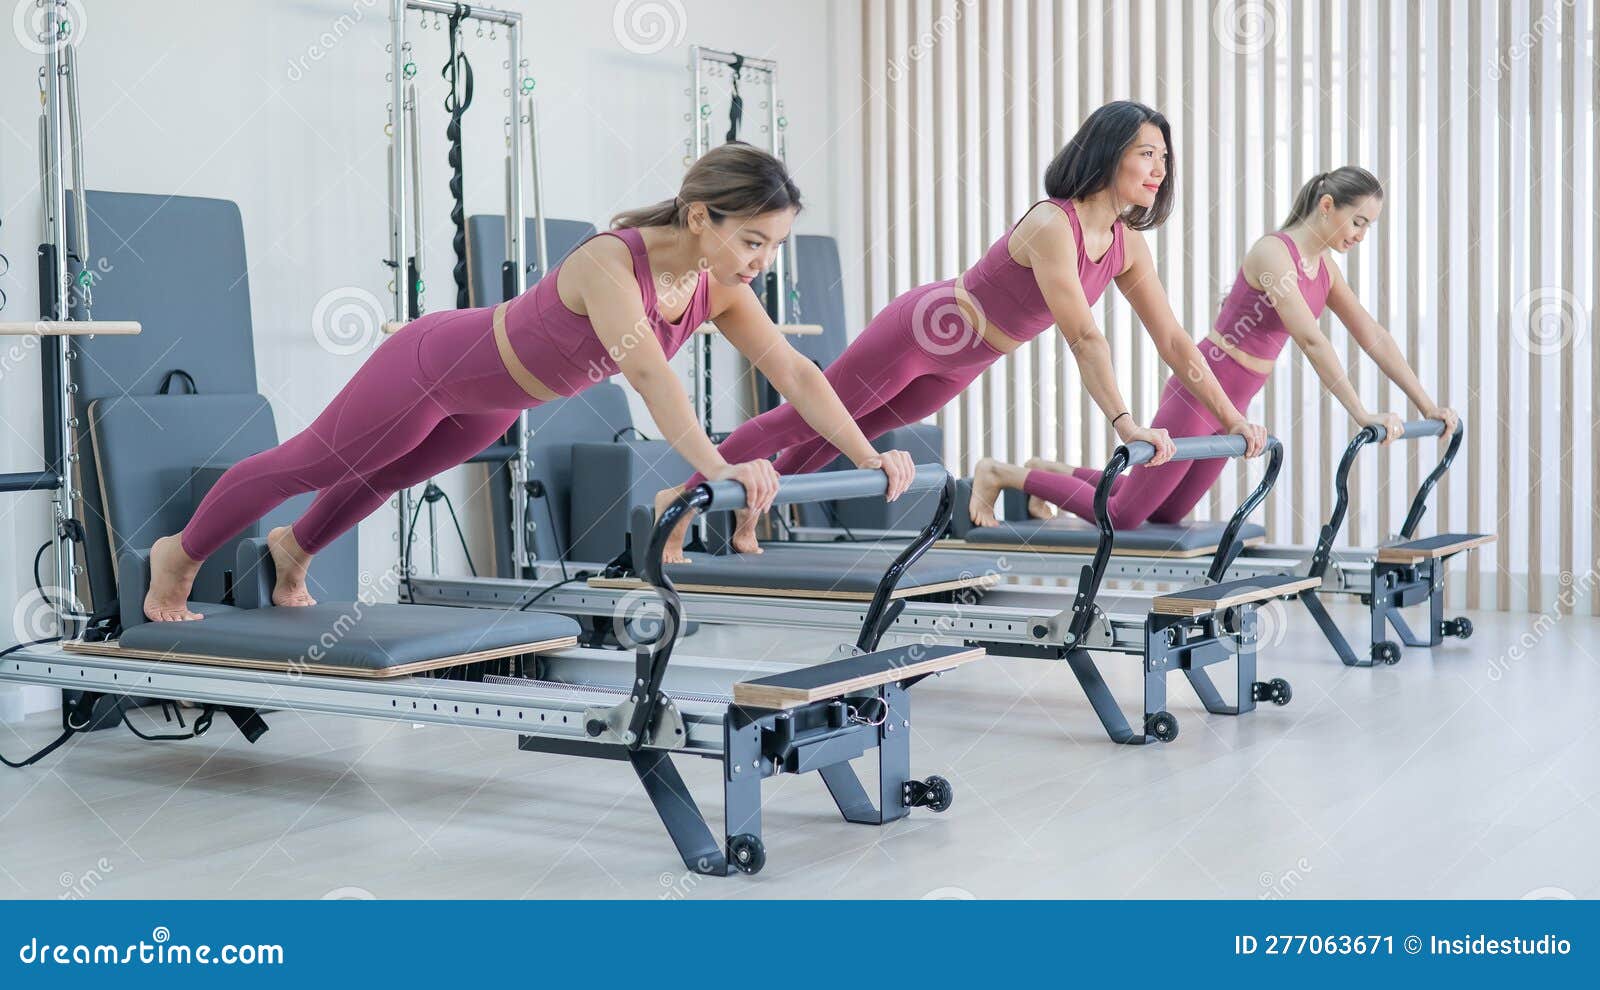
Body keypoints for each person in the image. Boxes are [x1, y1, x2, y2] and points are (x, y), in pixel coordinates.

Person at [142, 143, 914, 621]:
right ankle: (179, 554)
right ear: (702, 216)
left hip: (494, 402)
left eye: (771, 248)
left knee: (386, 478)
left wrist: (866, 455)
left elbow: (796, 372)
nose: (760, 263)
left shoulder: (722, 288)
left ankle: (294, 549)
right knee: (316, 462)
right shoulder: (609, 262)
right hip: (430, 366)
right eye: (752, 241)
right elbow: (646, 373)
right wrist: (716, 468)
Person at [661, 101, 1265, 561]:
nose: (1158, 168)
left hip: (964, 362)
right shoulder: (1055, 224)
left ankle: (750, 514)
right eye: (1146, 153)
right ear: (1109, 155)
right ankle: (680, 504)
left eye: (1164, 156)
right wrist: (1126, 423)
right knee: (804, 419)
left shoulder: (1128, 245)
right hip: (922, 334)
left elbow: (1175, 342)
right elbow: (1084, 336)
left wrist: (1231, 418)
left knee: (848, 431)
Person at [975, 165, 1458, 529]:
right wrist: (1362, 413)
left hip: (1237, 399)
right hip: (1200, 390)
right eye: (1358, 220)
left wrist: (1426, 403)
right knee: (1124, 516)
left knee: (1166, 513)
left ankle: (1052, 471)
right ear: (1327, 205)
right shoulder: (1274, 252)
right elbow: (1311, 339)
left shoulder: (1324, 268)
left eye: (1369, 226)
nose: (1360, 234)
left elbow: (1372, 334)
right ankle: (1003, 474)